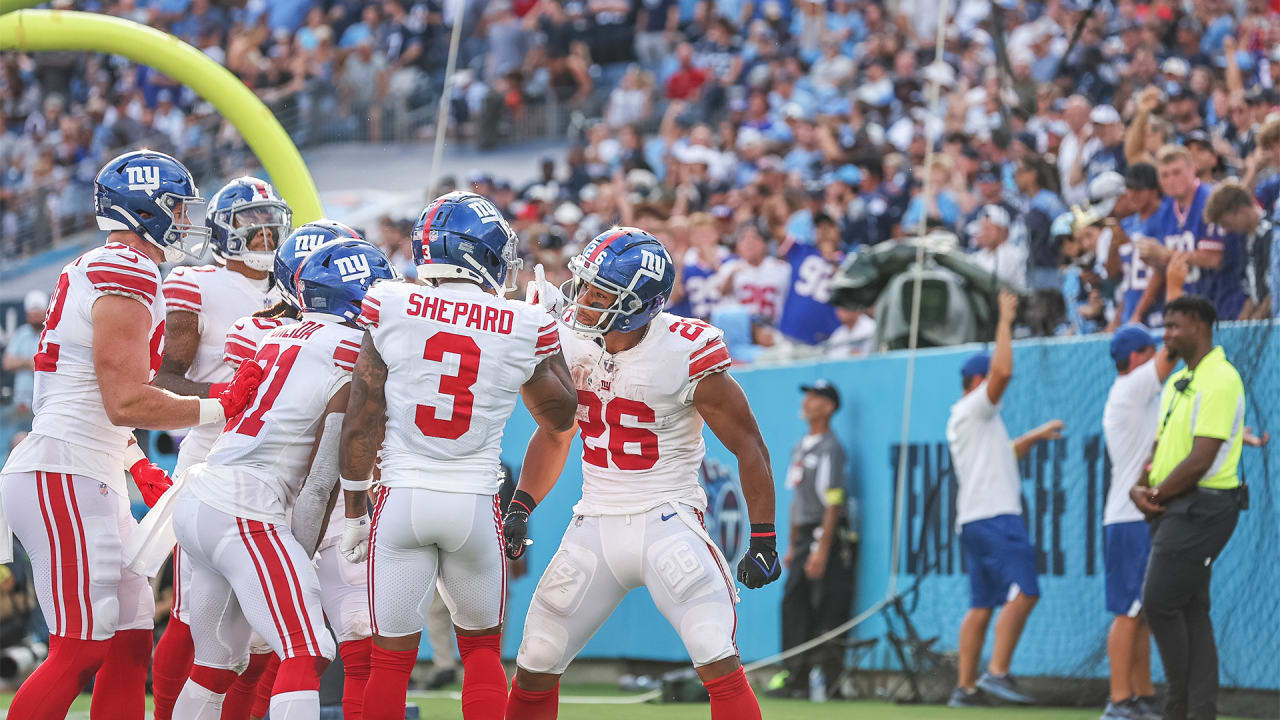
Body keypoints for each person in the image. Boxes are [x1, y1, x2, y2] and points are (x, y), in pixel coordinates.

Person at [0, 149, 263, 719]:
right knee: (81, 646)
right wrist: (222, 406)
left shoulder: (113, 266)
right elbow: (124, 402)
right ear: (143, 207)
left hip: (86, 467)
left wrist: (135, 463)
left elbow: (96, 399)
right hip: (63, 473)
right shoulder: (126, 268)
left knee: (130, 641)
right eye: (174, 206)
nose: (184, 220)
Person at [503, 227, 782, 719]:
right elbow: (556, 433)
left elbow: (749, 446)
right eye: (584, 285)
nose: (583, 299)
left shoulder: (686, 349)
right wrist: (521, 504)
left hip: (667, 517)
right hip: (593, 521)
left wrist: (763, 538)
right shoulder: (569, 335)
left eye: (599, 292)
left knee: (715, 650)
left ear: (638, 305)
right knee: (536, 660)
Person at [337, 191, 577, 720]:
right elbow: (562, 416)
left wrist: (355, 510)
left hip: (401, 499)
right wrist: (549, 330)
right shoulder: (523, 322)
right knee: (484, 655)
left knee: (390, 664)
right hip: (474, 504)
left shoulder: (389, 302)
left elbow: (361, 421)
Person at [171, 238, 398, 720]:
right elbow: (321, 480)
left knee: (215, 665)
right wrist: (299, 553)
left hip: (201, 497)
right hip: (246, 508)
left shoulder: (276, 335)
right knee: (307, 647)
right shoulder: (351, 351)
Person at [219, 219, 374, 720]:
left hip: (275, 494)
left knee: (357, 641)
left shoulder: (273, 334)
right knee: (258, 651)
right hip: (281, 499)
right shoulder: (271, 332)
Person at [150, 175, 291, 720]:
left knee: (261, 629)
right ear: (221, 232)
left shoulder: (296, 287)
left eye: (268, 222)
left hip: (274, 464)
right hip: (211, 455)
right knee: (194, 619)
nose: (263, 234)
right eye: (249, 224)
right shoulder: (195, 282)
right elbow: (166, 377)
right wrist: (227, 397)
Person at [1129, 295, 1248, 720]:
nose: (1168, 335)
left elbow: (1200, 461)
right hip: (1175, 507)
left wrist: (1155, 495)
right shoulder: (1183, 379)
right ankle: (1200, 711)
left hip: (1203, 507)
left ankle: (1177, 705)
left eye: (1175, 326)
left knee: (1159, 601)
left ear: (1200, 325)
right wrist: (1140, 488)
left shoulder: (1220, 378)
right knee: (1191, 609)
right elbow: (1161, 448)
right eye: (1166, 326)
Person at [946, 290, 1064, 708]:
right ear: (977, 383)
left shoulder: (966, 419)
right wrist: (1004, 320)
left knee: (981, 604)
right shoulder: (977, 407)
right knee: (1026, 591)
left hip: (973, 521)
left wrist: (1033, 435)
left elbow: (1004, 453)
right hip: (997, 517)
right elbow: (1004, 373)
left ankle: (965, 688)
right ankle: (996, 673)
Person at [1100, 325, 1176, 720]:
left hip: (1137, 517)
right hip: (1129, 519)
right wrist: (1176, 285)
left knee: (1142, 611)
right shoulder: (1130, 388)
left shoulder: (1141, 398)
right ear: (1135, 359)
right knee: (1128, 612)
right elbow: (1173, 352)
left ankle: (1142, 697)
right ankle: (1118, 701)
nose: (1156, 356)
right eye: (1150, 350)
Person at [770, 380, 855, 699]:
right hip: (806, 537)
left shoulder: (832, 448)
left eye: (815, 397)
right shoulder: (800, 447)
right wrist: (793, 545)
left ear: (829, 407)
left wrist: (821, 548)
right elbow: (796, 501)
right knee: (795, 603)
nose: (807, 402)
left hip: (826, 536)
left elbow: (833, 501)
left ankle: (830, 681)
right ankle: (795, 676)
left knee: (829, 606)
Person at [1204, 180, 1274, 320]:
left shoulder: (1272, 234)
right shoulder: (1245, 241)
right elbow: (1252, 293)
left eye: (1226, 223)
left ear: (1240, 210)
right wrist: (1240, 327)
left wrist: (1255, 326)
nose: (1227, 230)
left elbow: (1275, 291)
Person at [2, 290, 47, 417]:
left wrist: (21, 363)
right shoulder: (20, 334)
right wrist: (30, 362)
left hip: (45, 402)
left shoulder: (52, 334)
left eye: (38, 311)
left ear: (45, 312)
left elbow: (50, 364)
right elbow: (7, 363)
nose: (35, 315)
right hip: (21, 403)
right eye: (32, 311)